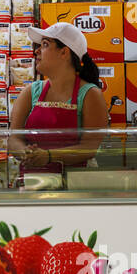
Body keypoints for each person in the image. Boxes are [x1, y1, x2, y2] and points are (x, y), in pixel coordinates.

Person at [11, 22, 109, 171]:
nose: (37, 51)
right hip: (34, 183)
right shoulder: (30, 92)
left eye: (45, 45)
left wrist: (49, 156)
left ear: (64, 52)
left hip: (74, 185)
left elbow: (90, 147)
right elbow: (13, 138)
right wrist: (27, 153)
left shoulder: (90, 95)